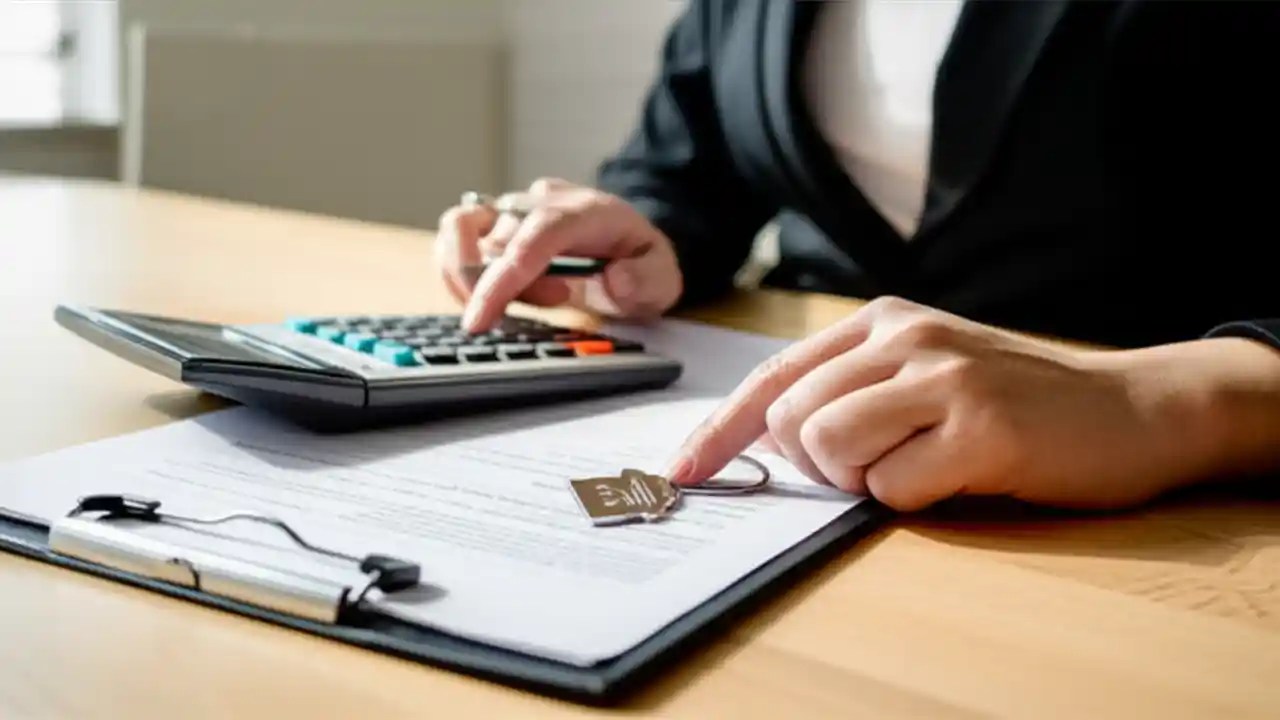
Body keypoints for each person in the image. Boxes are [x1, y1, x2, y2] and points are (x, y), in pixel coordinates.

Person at [435, 0, 1280, 512]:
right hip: (813, 462)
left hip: (1145, 502)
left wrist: (1145, 402)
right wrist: (640, 237)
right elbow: (688, 171)